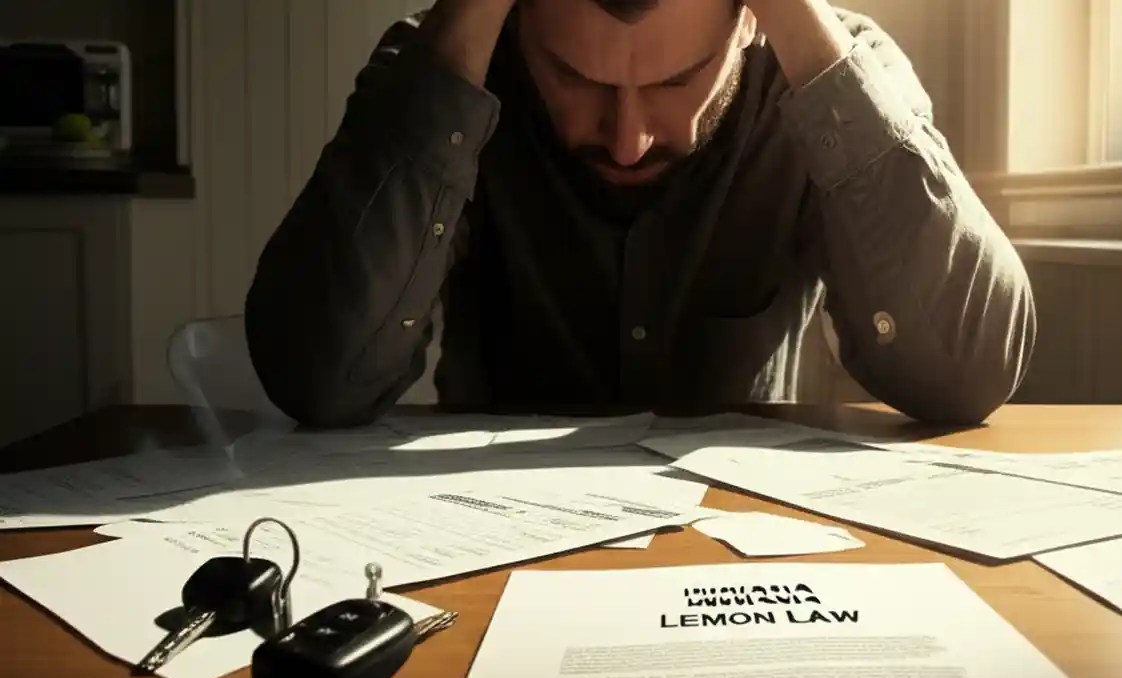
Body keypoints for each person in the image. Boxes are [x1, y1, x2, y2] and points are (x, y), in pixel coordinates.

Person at [244, 0, 1036, 428]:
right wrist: (456, 53)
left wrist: (805, 32)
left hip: (753, 566)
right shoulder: (443, 64)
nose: (628, 141)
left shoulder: (830, 66)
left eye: (677, 81)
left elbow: (966, 379)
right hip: (491, 561)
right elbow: (317, 379)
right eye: (575, 78)